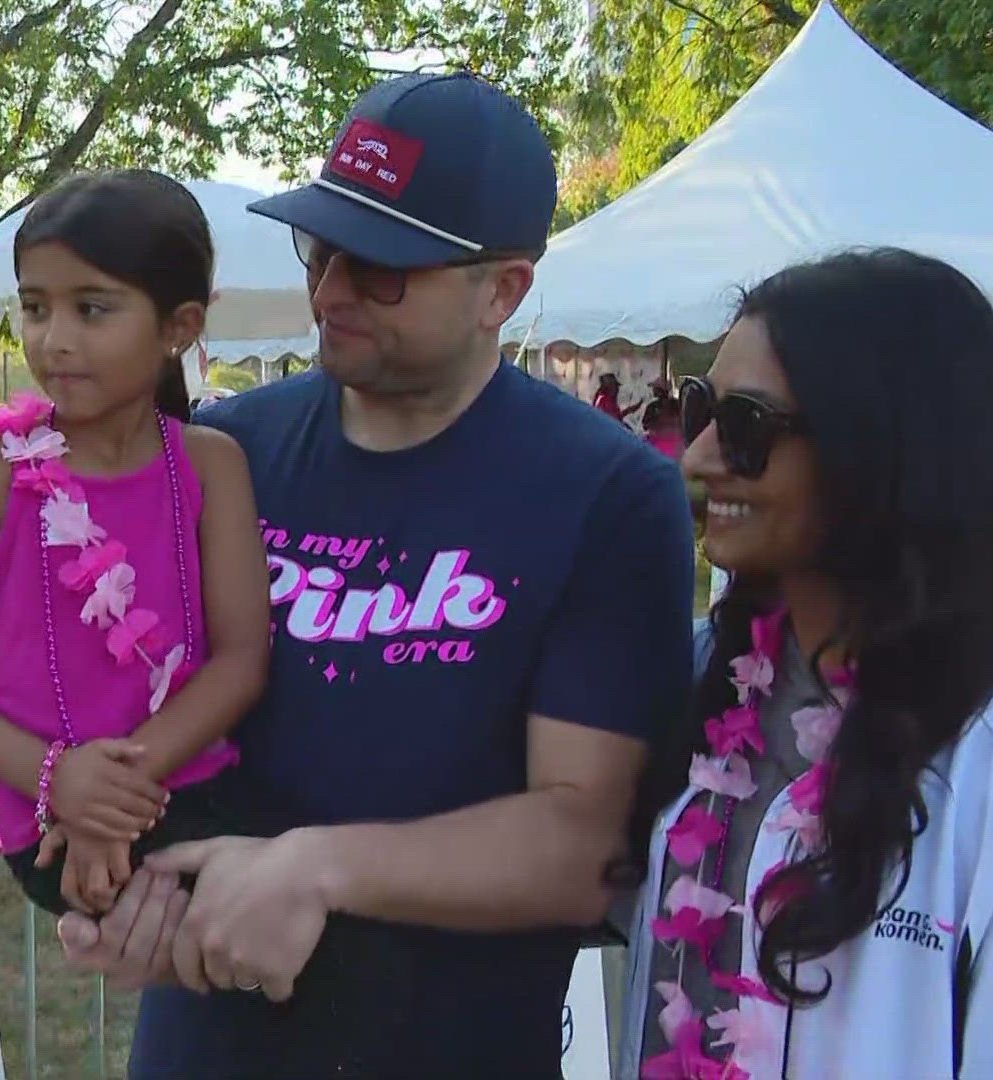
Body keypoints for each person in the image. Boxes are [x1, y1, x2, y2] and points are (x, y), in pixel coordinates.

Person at [53, 75, 696, 1078]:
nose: (329, 292)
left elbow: (583, 845)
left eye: (382, 268)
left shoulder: (607, 495)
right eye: (320, 250)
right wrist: (120, 883)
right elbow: (129, 711)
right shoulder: (220, 452)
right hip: (205, 1047)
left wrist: (318, 868)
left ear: (502, 292)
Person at [614, 249, 993, 1078]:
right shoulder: (701, 678)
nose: (697, 457)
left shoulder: (982, 754)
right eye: (701, 407)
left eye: (747, 425)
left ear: (884, 448)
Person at [0, 170, 272, 919]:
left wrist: (112, 798)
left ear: (179, 327)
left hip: (191, 790)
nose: (55, 339)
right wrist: (62, 783)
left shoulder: (211, 466)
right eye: (35, 308)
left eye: (92, 309)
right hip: (41, 820)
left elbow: (241, 658)